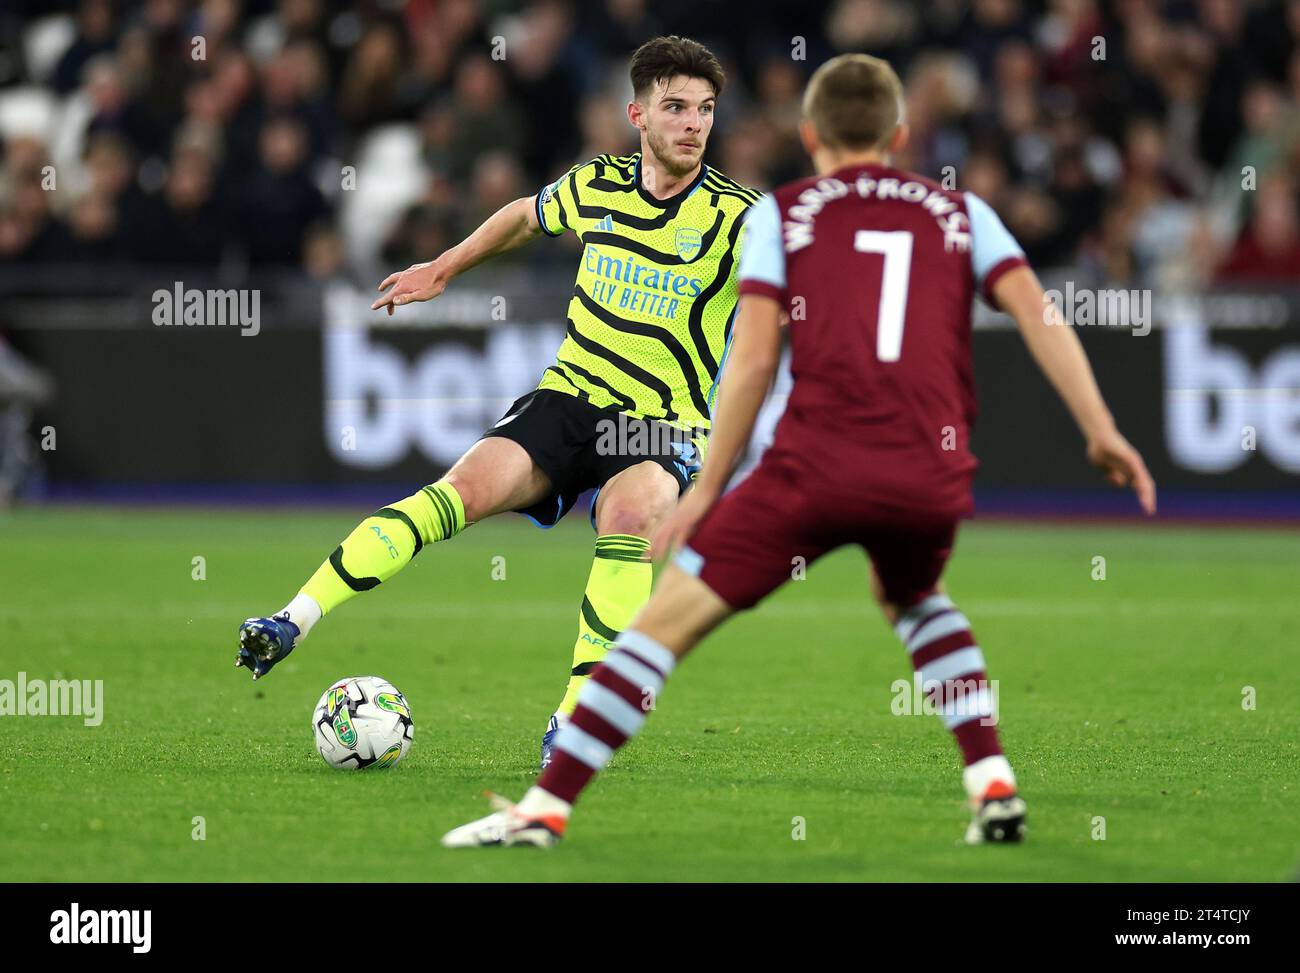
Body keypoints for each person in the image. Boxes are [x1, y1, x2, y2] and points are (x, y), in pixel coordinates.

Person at [442, 52, 1156, 849]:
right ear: (902, 132)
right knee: (916, 599)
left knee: (658, 628)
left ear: (811, 135)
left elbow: (749, 366)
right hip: (929, 468)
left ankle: (543, 810)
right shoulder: (963, 213)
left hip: (816, 467)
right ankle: (991, 782)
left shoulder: (783, 215)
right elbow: (1039, 313)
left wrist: (707, 490)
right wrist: (1100, 428)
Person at [234, 36, 761, 769]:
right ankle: (291, 619)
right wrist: (442, 267)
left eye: (705, 110)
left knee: (631, 515)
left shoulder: (743, 218)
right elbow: (522, 215)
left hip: (660, 422)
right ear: (637, 114)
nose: (693, 124)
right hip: (569, 395)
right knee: (459, 491)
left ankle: (576, 718)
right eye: (675, 107)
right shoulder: (597, 184)